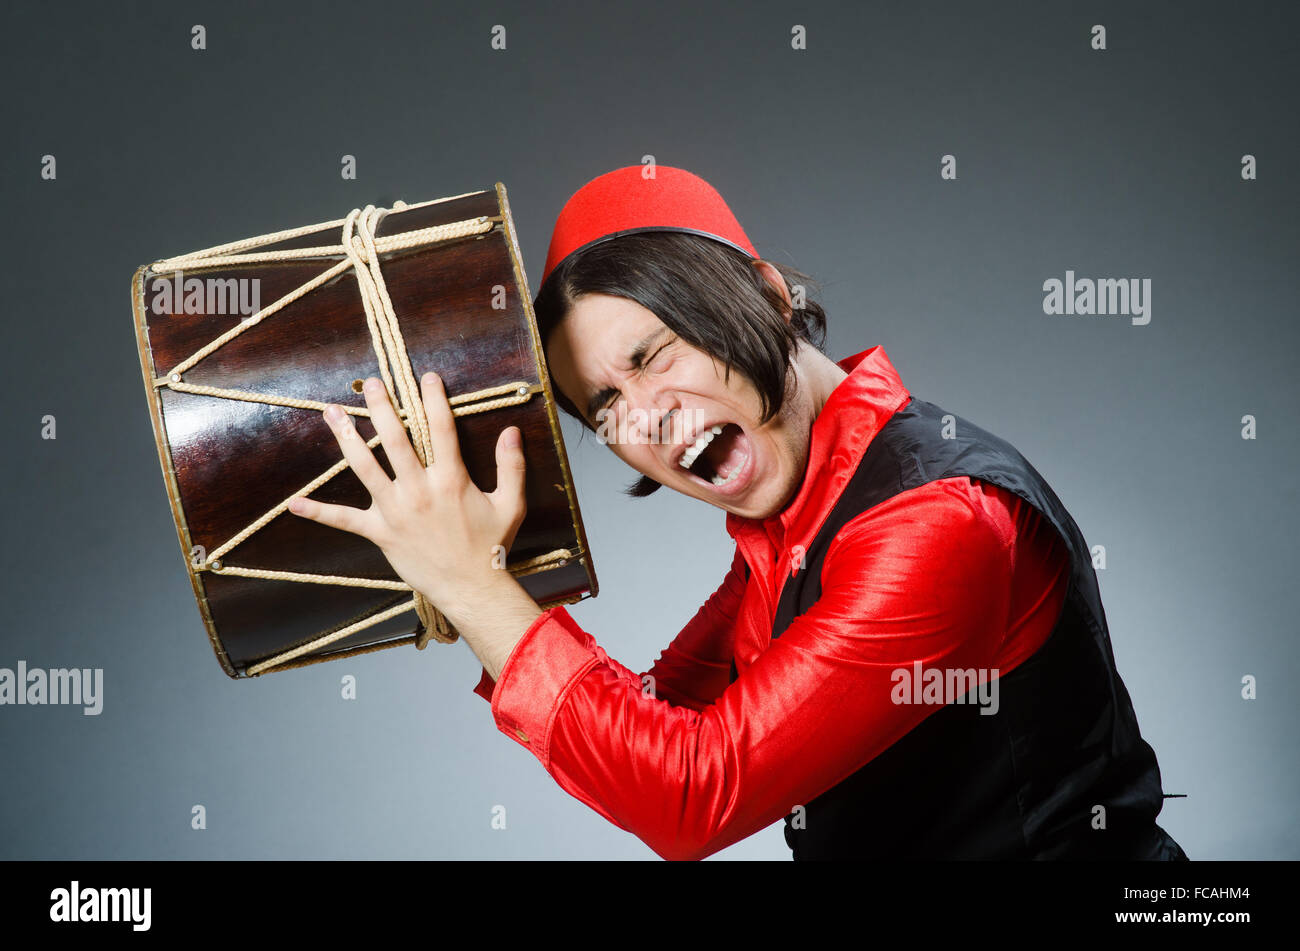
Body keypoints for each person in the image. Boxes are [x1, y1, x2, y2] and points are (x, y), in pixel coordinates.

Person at [289, 165, 1188, 861]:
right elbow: (646, 719)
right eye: (603, 405)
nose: (639, 417)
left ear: (763, 294)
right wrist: (476, 582)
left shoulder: (941, 521)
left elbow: (688, 791)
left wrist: (478, 590)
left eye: (650, 354)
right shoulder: (784, 529)